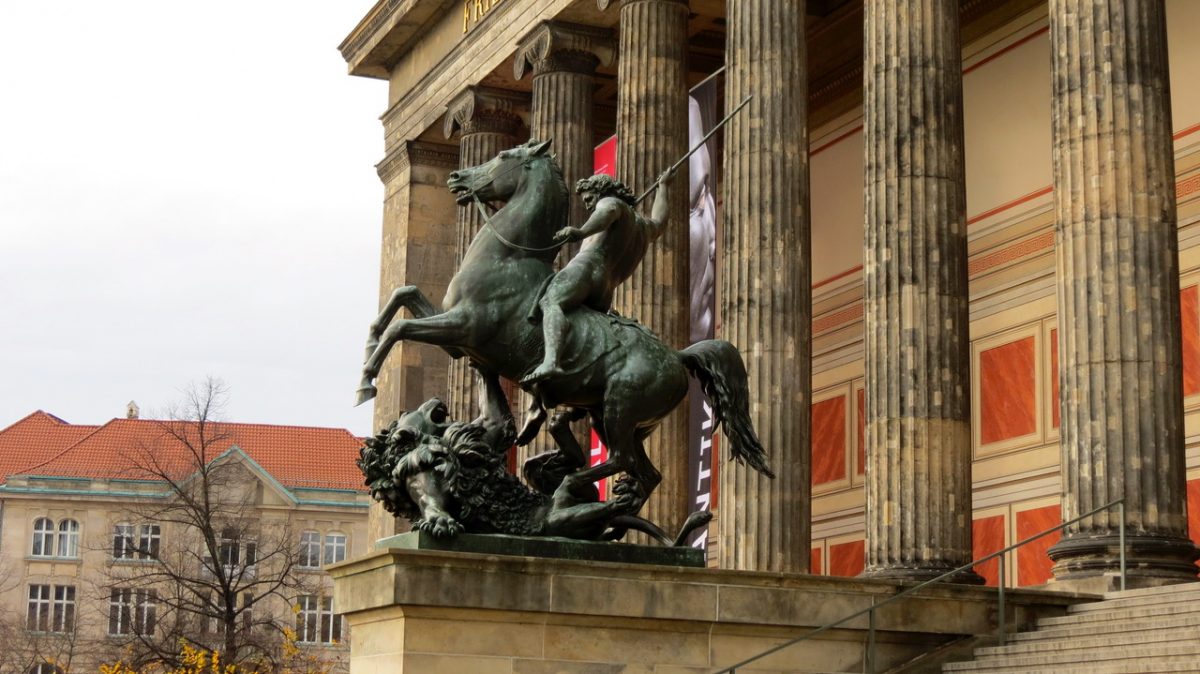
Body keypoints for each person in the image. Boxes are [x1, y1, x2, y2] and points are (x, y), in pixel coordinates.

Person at [521, 168, 676, 385]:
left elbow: (607, 212)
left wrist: (581, 232)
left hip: (585, 269)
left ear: (602, 192)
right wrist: (663, 187)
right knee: (581, 325)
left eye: (589, 199)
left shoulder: (611, 203)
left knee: (550, 302)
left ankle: (551, 361)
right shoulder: (642, 225)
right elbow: (660, 222)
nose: (587, 205)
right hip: (605, 288)